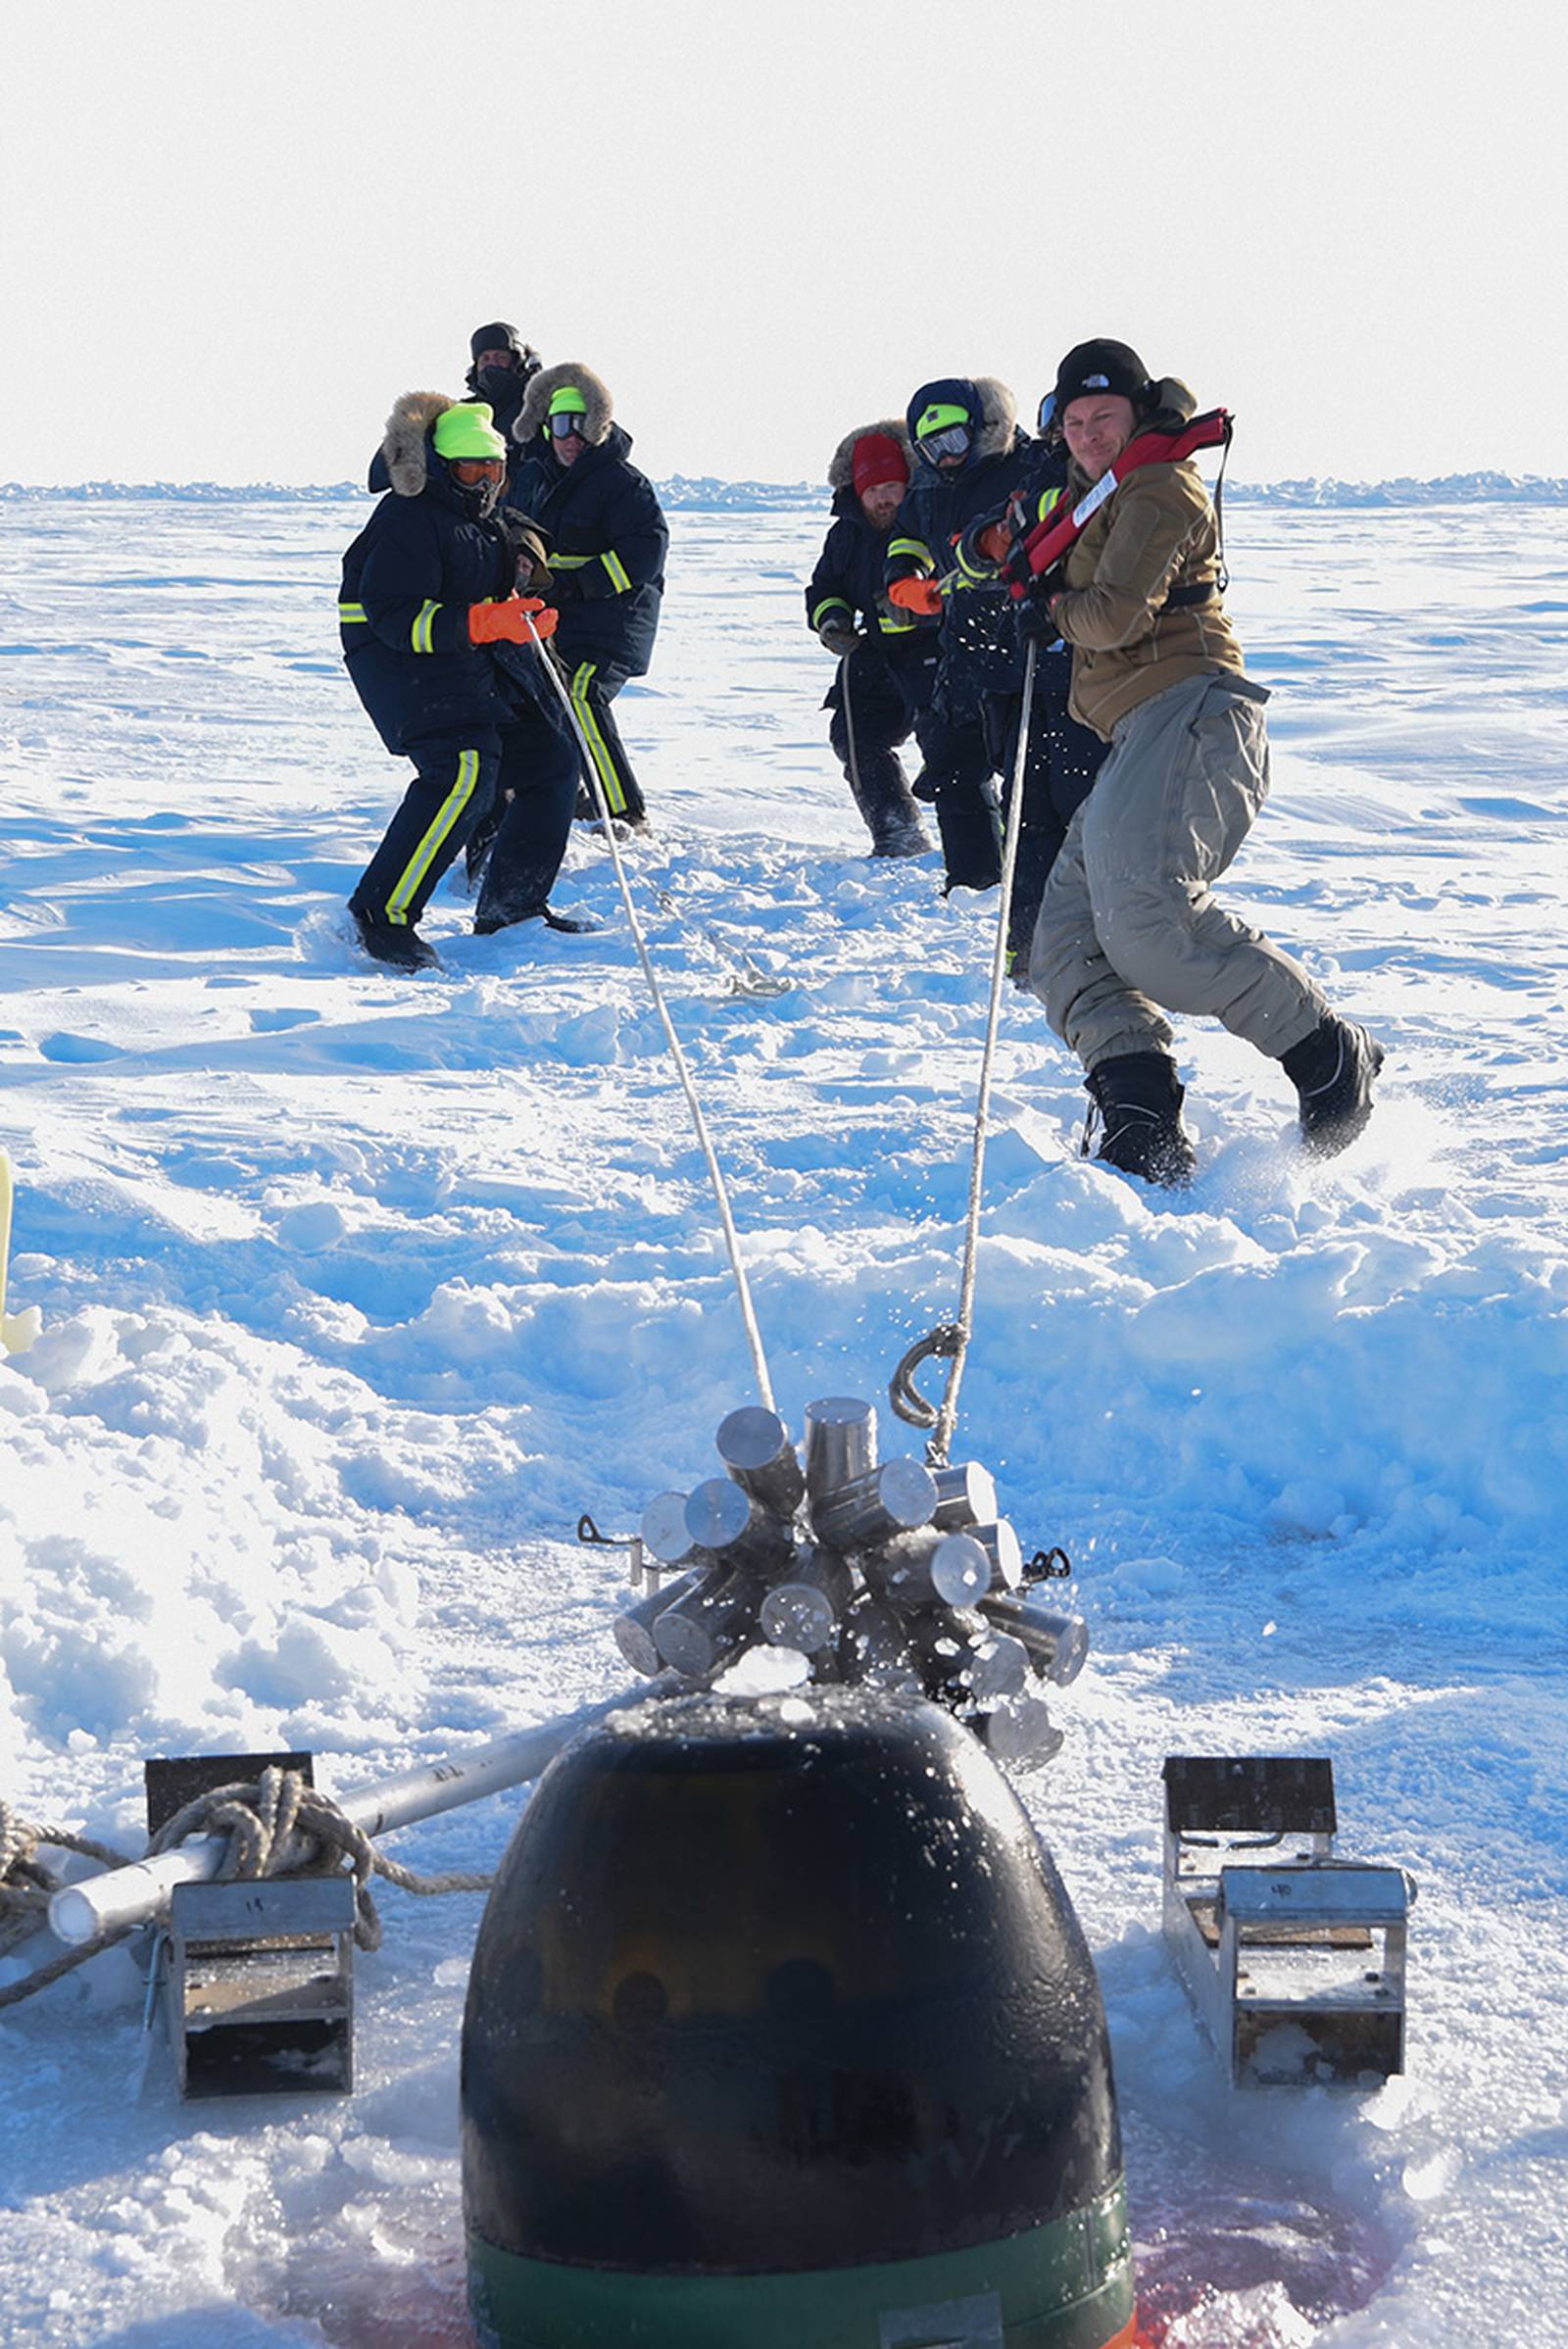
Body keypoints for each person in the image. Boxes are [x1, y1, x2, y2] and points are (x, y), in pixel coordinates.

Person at [1020, 338, 1384, 1183]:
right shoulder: (1091, 497)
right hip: (1140, 733)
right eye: (1073, 420)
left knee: (1149, 923)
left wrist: (1052, 610)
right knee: (1068, 942)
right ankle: (1142, 1114)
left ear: (1137, 413)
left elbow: (1109, 616)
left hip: (1195, 716)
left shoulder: (1158, 485)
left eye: (1103, 416)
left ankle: (1329, 1054)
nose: (1087, 433)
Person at [338, 393, 581, 968]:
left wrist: (520, 611)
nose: (485, 481)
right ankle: (382, 915)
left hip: (465, 659)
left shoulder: (480, 515)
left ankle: (513, 907)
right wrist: (482, 621)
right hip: (400, 663)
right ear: (444, 468)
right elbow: (393, 616)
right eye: (471, 469)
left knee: (551, 757)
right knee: (464, 770)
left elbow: (505, 562)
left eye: (494, 469)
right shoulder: (408, 517)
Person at [953, 401, 1109, 977]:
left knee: (1083, 814)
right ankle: (1028, 944)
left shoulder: (1130, 490)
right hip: (1028, 673)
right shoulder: (1037, 479)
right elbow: (975, 546)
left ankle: (1089, 948)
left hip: (1091, 681)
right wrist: (987, 542)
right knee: (1026, 813)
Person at [883, 376, 1031, 892]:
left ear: (980, 428)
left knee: (1023, 771)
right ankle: (973, 881)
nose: (944, 457)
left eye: (953, 442)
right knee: (951, 762)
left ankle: (1029, 880)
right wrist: (904, 581)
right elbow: (906, 536)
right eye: (931, 448)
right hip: (959, 643)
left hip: (1023, 640)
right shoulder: (927, 487)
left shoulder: (1023, 466)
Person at [507, 364, 667, 827]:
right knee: (530, 698)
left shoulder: (622, 482)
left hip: (613, 622)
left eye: (581, 426)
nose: (570, 437)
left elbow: (645, 552)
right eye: (561, 425)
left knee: (580, 692)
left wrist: (580, 583)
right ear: (546, 427)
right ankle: (566, 792)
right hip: (554, 623)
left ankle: (623, 810)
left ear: (598, 427)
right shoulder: (535, 479)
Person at [805, 422, 931, 857]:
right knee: (854, 735)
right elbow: (824, 589)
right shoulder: (846, 534)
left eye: (892, 485)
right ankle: (897, 832)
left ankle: (985, 849)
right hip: (874, 656)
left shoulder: (930, 514)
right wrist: (832, 621)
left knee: (954, 750)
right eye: (872, 488)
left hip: (936, 652)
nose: (882, 498)